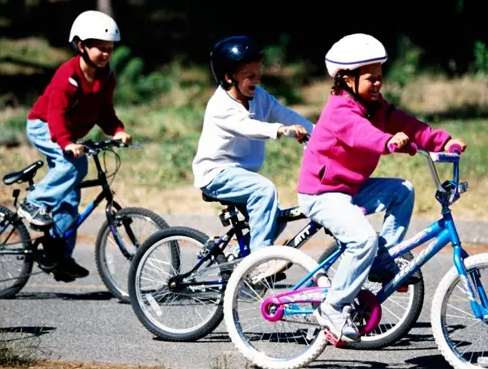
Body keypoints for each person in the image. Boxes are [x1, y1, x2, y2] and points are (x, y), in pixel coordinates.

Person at [297, 33, 467, 343]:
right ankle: (333, 307)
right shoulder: (341, 111)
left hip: (350, 187)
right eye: (370, 78)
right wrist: (387, 142)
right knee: (362, 238)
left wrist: (444, 141)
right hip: (321, 193)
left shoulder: (375, 106)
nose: (378, 83)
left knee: (403, 190)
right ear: (347, 80)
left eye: (380, 76)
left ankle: (381, 258)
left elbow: (409, 124)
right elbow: (361, 134)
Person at [18, 10, 132, 282]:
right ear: (81, 46)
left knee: (70, 201)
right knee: (75, 164)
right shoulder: (67, 75)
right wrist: (67, 142)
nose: (106, 54)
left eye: (109, 49)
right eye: (99, 48)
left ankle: (59, 257)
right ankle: (33, 203)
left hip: (68, 136)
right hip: (44, 126)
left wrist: (117, 130)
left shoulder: (106, 77)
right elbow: (56, 114)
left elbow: (105, 111)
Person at [192, 35, 314, 257]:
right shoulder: (220, 105)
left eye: (258, 74)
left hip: (241, 174)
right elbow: (246, 126)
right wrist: (279, 130)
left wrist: (319, 135)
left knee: (275, 219)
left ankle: (240, 261)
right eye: (250, 76)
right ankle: (260, 262)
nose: (256, 80)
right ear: (229, 77)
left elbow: (285, 114)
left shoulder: (260, 96)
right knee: (264, 190)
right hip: (216, 173)